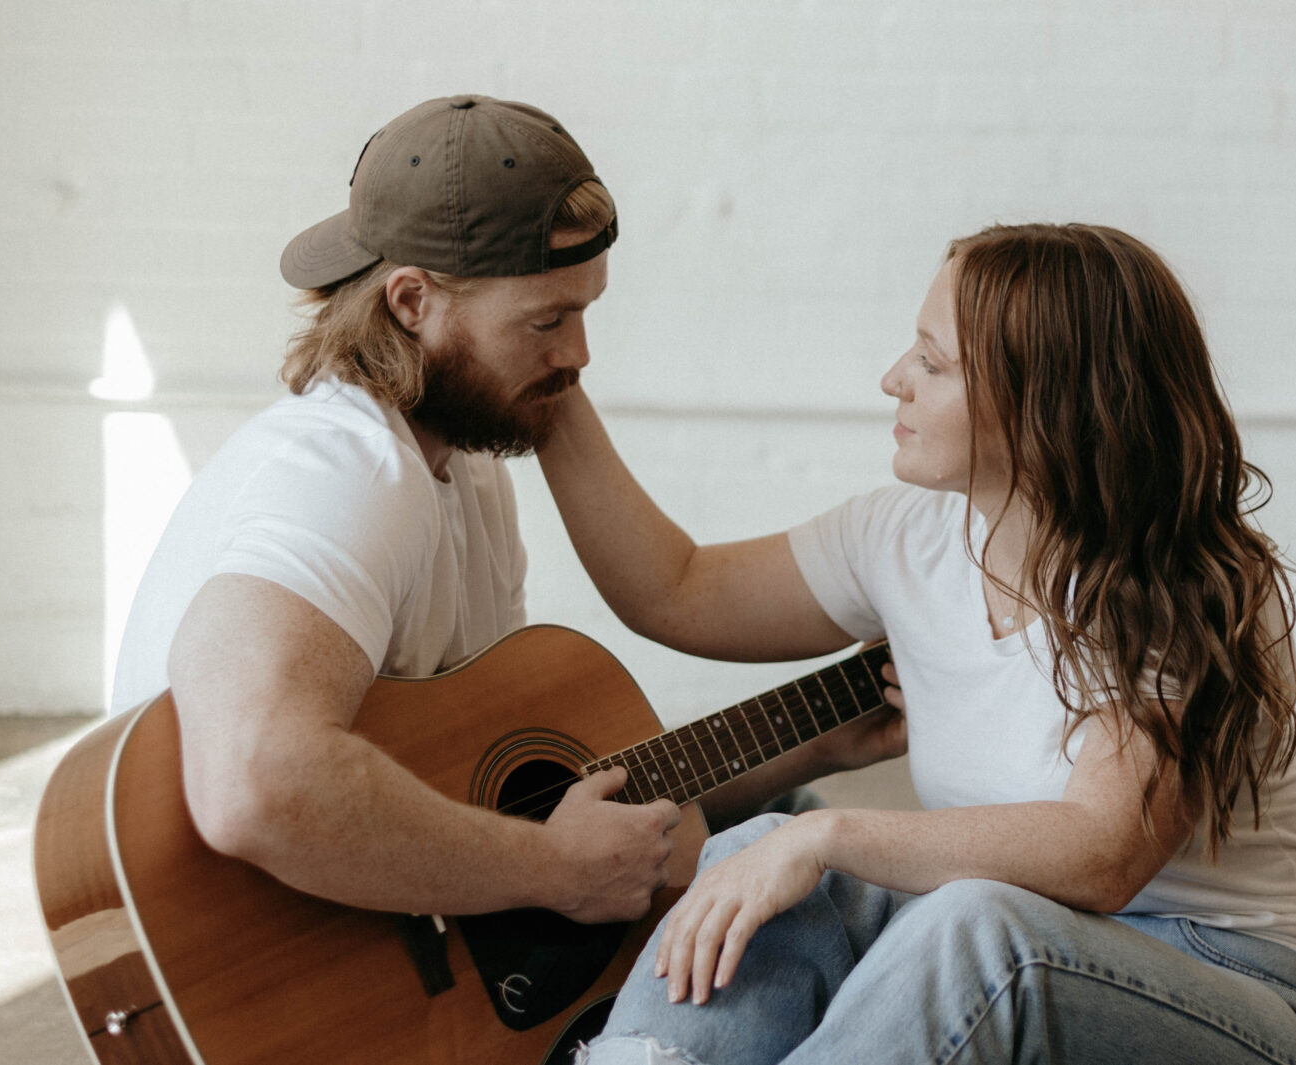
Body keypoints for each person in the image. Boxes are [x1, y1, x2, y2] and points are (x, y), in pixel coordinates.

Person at [536, 222, 1296, 1064]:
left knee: (973, 923)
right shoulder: (909, 536)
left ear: (1042, 403)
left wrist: (825, 835)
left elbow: (1103, 852)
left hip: (1241, 991)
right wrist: (544, 374)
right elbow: (676, 592)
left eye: (932, 363)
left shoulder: (1178, 583)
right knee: (754, 856)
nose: (893, 378)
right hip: (1030, 949)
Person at [108, 95, 891, 926]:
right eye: (547, 320)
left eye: (584, 310)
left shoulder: (465, 465)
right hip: (250, 948)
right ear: (410, 302)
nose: (578, 354)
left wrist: (816, 737)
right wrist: (556, 870)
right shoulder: (347, 472)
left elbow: (508, 796)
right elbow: (253, 782)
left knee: (789, 816)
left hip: (383, 922)